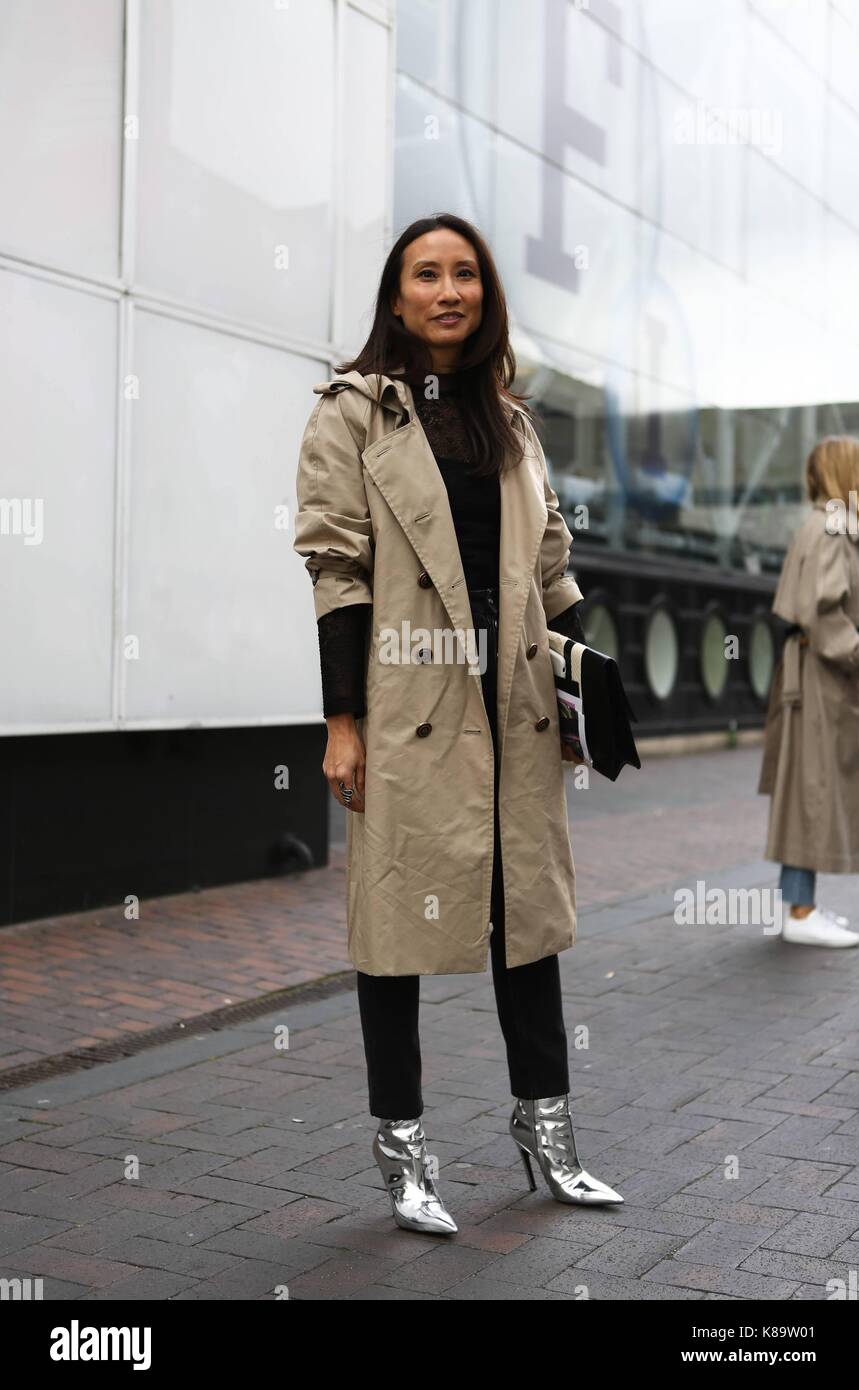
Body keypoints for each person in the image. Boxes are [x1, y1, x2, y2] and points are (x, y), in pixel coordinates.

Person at [294, 213, 623, 1235]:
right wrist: (341, 721)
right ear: (396, 298)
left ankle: (549, 1137)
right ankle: (402, 1153)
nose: (449, 289)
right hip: (408, 707)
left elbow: (551, 569)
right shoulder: (353, 414)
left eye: (465, 274)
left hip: (514, 711)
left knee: (528, 926)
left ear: (485, 295)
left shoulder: (510, 425)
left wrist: (591, 688)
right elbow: (336, 568)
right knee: (392, 935)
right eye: (426, 274)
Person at [758, 435, 859, 947]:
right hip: (821, 678)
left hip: (814, 675)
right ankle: (800, 912)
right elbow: (826, 615)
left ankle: (802, 906)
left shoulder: (830, 525)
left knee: (808, 789)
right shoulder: (831, 528)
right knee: (813, 790)